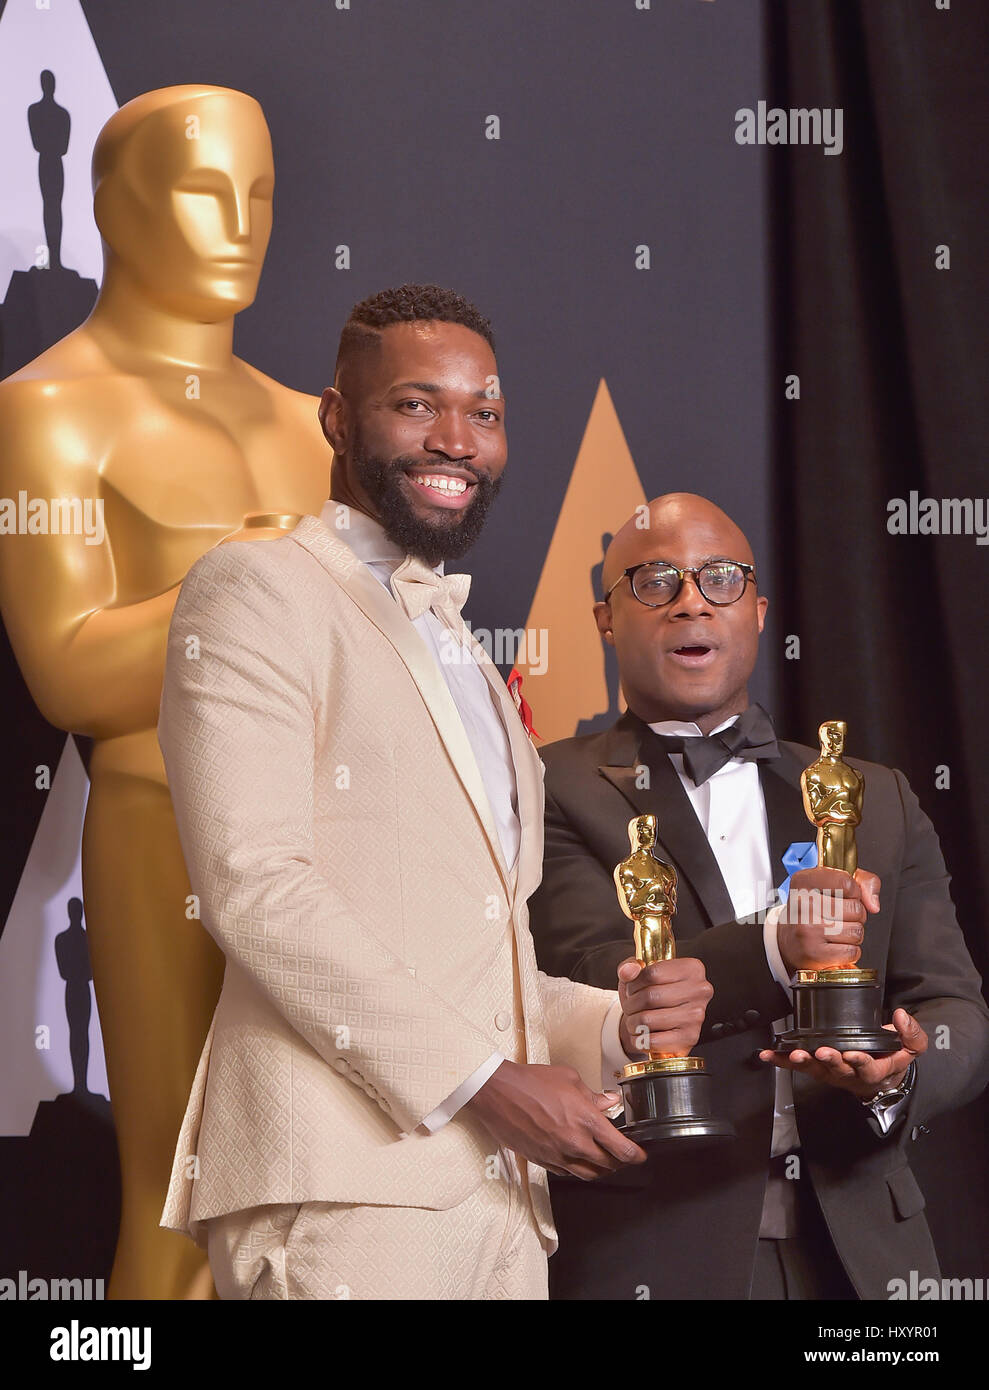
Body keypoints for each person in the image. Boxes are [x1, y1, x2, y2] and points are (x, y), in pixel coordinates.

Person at [156, 288, 712, 1300]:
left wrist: (609, 1028)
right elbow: (254, 887)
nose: (455, 439)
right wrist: (489, 1085)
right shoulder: (255, 589)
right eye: (416, 406)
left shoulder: (459, 645)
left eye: (483, 413)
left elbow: (473, 959)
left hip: (499, 1206)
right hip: (343, 1197)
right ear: (335, 418)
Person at [528, 491, 989, 1301]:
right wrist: (780, 945)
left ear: (758, 608)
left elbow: (954, 1008)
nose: (691, 600)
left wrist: (896, 1077)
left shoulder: (872, 795)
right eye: (654, 581)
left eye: (720, 578)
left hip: (865, 1253)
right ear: (605, 619)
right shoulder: (546, 784)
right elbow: (595, 980)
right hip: (655, 1246)